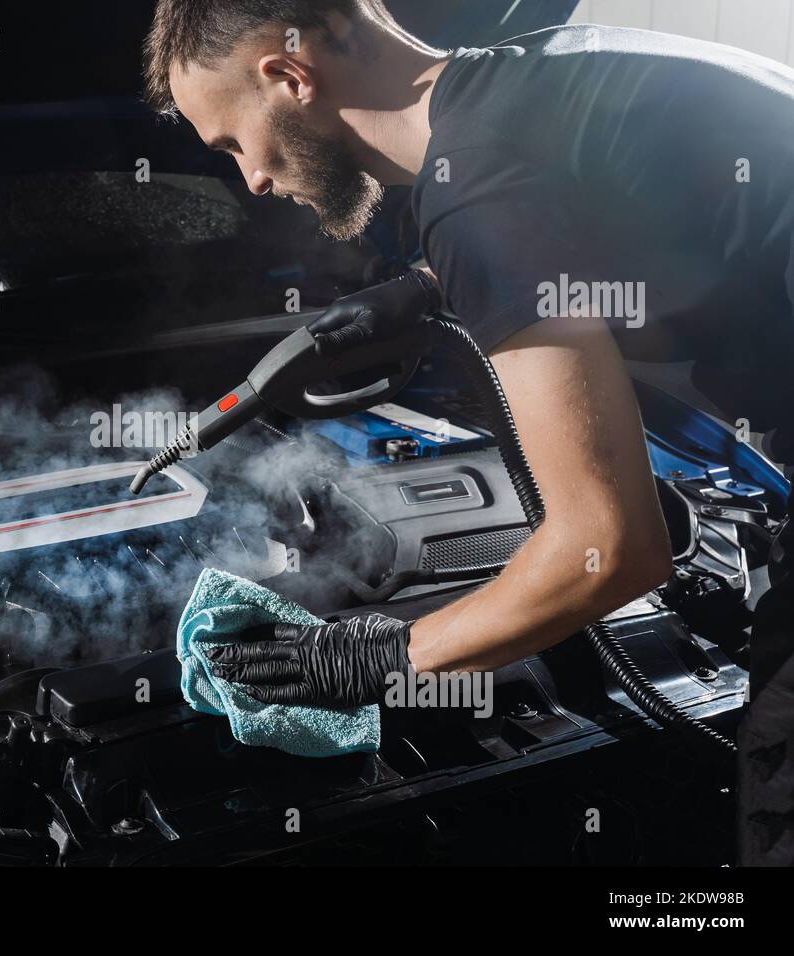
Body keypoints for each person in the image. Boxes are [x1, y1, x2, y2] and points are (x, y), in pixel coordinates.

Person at [143, 0, 794, 863]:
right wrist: (423, 284)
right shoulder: (541, 73)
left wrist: (368, 657)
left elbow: (612, 547)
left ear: (287, 75)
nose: (254, 181)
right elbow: (594, 206)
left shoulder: (478, 181)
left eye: (230, 144)